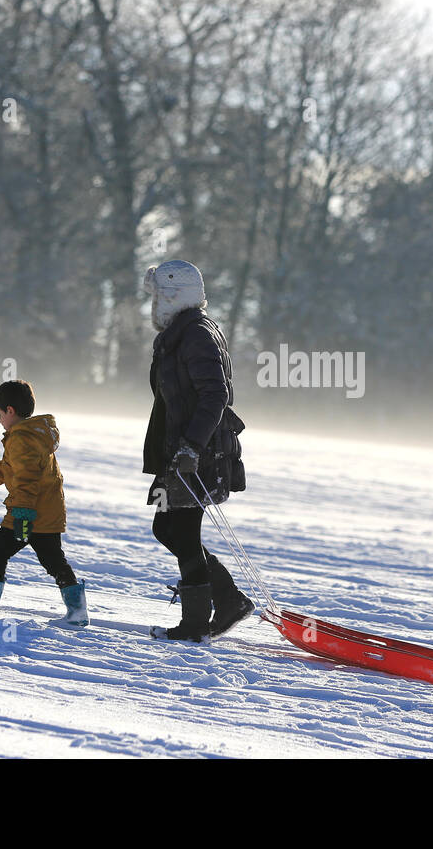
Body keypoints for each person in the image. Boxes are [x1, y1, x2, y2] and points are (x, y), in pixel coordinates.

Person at [141, 259, 253, 641]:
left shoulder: (197, 335)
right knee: (166, 527)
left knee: (183, 532)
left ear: (175, 295)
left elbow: (215, 395)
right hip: (178, 451)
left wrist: (191, 446)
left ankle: (194, 625)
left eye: (158, 295)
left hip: (199, 454)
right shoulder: (180, 334)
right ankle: (229, 600)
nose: (154, 303)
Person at [0, 380, 88, 625]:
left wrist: (23, 515)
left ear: (10, 411)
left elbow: (26, 480)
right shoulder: (33, 435)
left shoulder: (22, 439)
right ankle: (77, 611)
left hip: (29, 514)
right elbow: (6, 469)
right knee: (53, 560)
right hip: (46, 513)